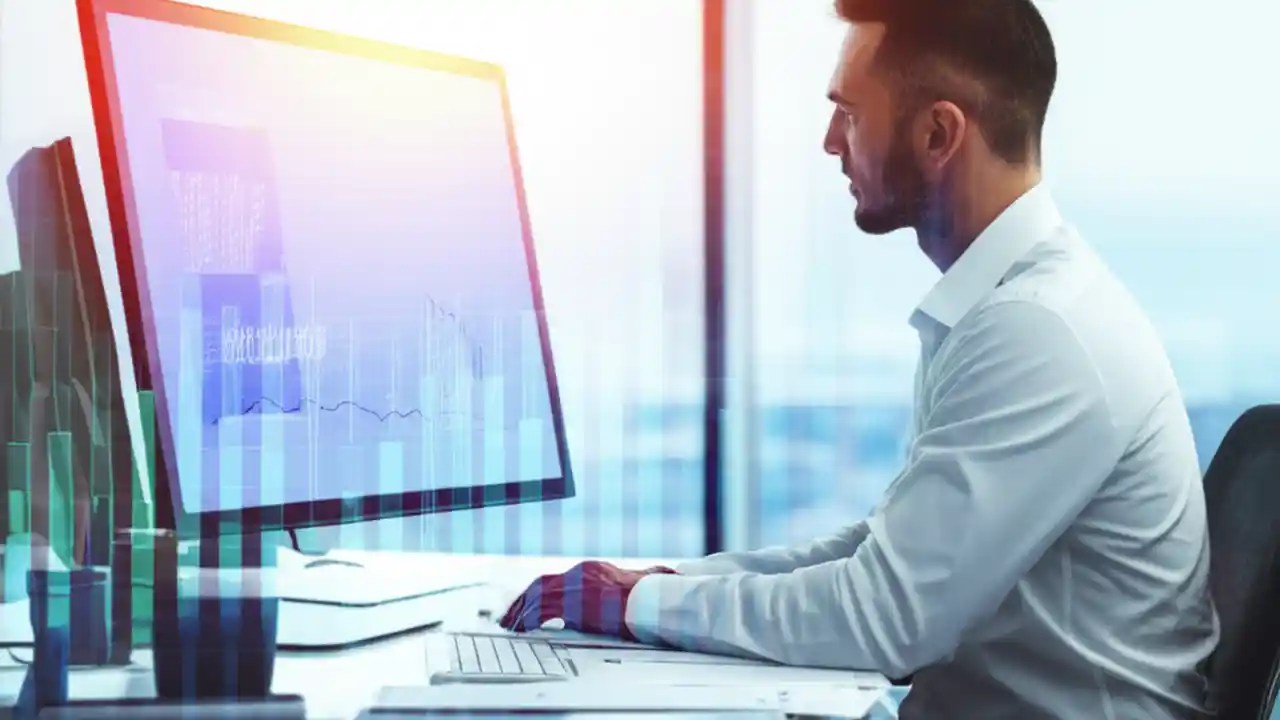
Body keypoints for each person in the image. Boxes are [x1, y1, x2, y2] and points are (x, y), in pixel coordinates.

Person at [501, 0, 1219, 716]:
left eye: (848, 112)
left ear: (938, 132)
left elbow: (885, 619)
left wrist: (646, 605)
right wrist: (665, 588)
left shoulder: (1036, 330)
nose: (828, 140)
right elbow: (879, 554)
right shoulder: (1007, 305)